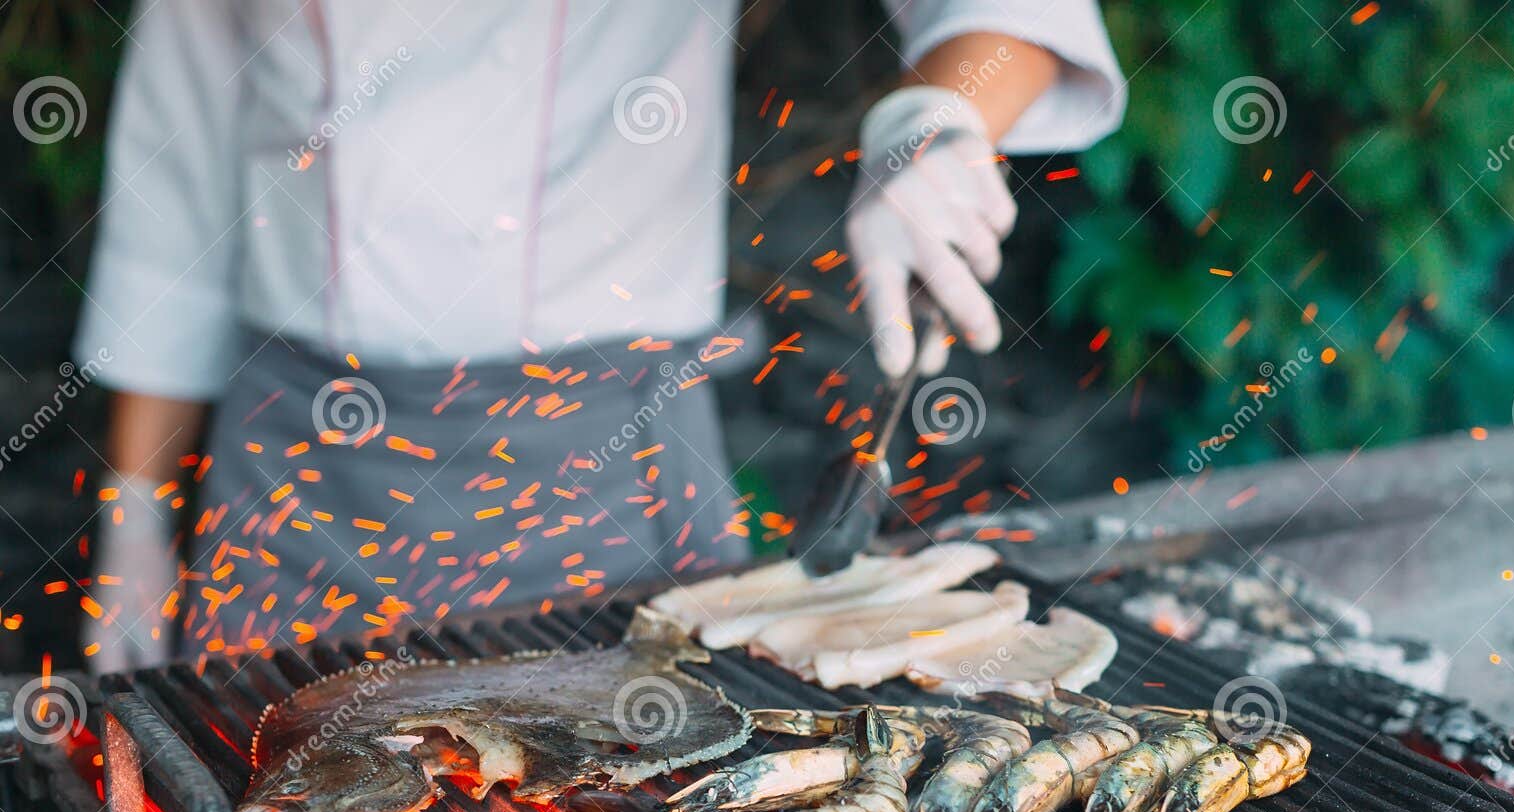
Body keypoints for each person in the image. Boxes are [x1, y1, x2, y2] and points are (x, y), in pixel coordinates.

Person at [76, 0, 1124, 672]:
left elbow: (1007, 10)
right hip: (293, 475)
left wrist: (938, 118)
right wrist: (134, 524)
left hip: (600, 471)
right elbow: (177, 206)